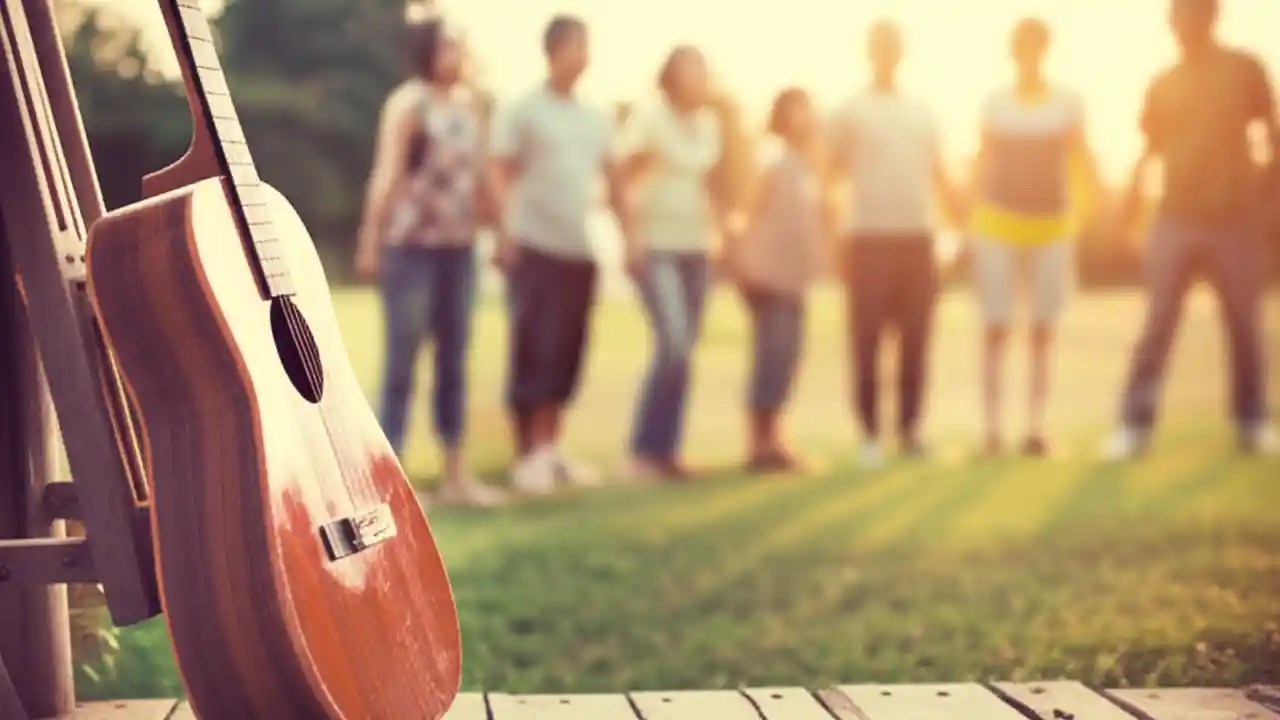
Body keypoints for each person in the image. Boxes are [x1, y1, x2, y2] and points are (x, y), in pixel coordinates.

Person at [1105, 0, 1279, 459]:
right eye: (1176, 18)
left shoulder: (1244, 70)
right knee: (1158, 321)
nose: (1181, 27)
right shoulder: (1164, 83)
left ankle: (1252, 421)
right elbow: (1148, 147)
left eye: (1190, 16)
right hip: (1176, 215)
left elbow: (1271, 134)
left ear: (1211, 17)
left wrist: (1271, 201)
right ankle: (1133, 424)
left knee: (1244, 323)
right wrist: (1128, 205)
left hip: (1235, 217)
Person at [355, 18, 505, 507]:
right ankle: (389, 482)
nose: (457, 56)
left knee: (455, 360)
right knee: (402, 360)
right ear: (426, 52)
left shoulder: (471, 106)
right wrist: (371, 239)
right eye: (448, 47)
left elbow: (483, 175)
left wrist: (501, 232)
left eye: (460, 47)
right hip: (410, 247)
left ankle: (456, 474)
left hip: (458, 249)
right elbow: (388, 172)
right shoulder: (409, 104)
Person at [488, 15, 636, 493]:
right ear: (553, 51)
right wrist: (503, 233)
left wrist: (630, 238)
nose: (585, 56)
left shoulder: (596, 117)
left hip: (579, 249)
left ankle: (549, 450)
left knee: (569, 353)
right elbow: (498, 173)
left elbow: (615, 184)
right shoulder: (523, 109)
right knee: (535, 347)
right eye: (577, 47)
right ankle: (527, 454)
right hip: (534, 245)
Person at [829, 20, 964, 470]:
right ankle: (869, 434)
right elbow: (829, 176)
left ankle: (910, 431)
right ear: (869, 51)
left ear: (902, 51)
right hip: (867, 237)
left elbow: (941, 171)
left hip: (917, 237)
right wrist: (831, 234)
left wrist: (961, 223)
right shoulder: (850, 110)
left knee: (916, 339)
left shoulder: (922, 109)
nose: (887, 51)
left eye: (894, 45)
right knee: (866, 339)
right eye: (880, 45)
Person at [969, 18, 1100, 457]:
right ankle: (991, 431)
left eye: (1035, 44)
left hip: (1051, 227)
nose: (1028, 52)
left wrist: (1091, 209)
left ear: (1046, 48)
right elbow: (982, 161)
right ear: (1012, 50)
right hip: (997, 227)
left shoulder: (1066, 102)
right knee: (996, 327)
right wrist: (965, 213)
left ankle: (1035, 428)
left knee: (1043, 329)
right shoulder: (995, 104)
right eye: (1021, 45)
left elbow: (1082, 157)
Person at [618, 46, 725, 480]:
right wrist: (630, 237)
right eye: (689, 69)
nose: (698, 76)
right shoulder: (650, 120)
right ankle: (642, 452)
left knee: (685, 353)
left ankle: (669, 452)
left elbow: (708, 184)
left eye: (702, 68)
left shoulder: (709, 125)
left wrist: (718, 231)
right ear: (671, 77)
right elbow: (623, 177)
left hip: (696, 249)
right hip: (657, 246)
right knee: (674, 344)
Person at [730, 88, 826, 473]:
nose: (803, 118)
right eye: (795, 111)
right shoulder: (770, 160)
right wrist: (744, 263)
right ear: (781, 116)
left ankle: (775, 440)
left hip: (794, 280)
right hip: (767, 277)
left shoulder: (805, 165)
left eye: (807, 110)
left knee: (787, 358)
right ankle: (758, 445)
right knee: (770, 359)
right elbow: (745, 215)